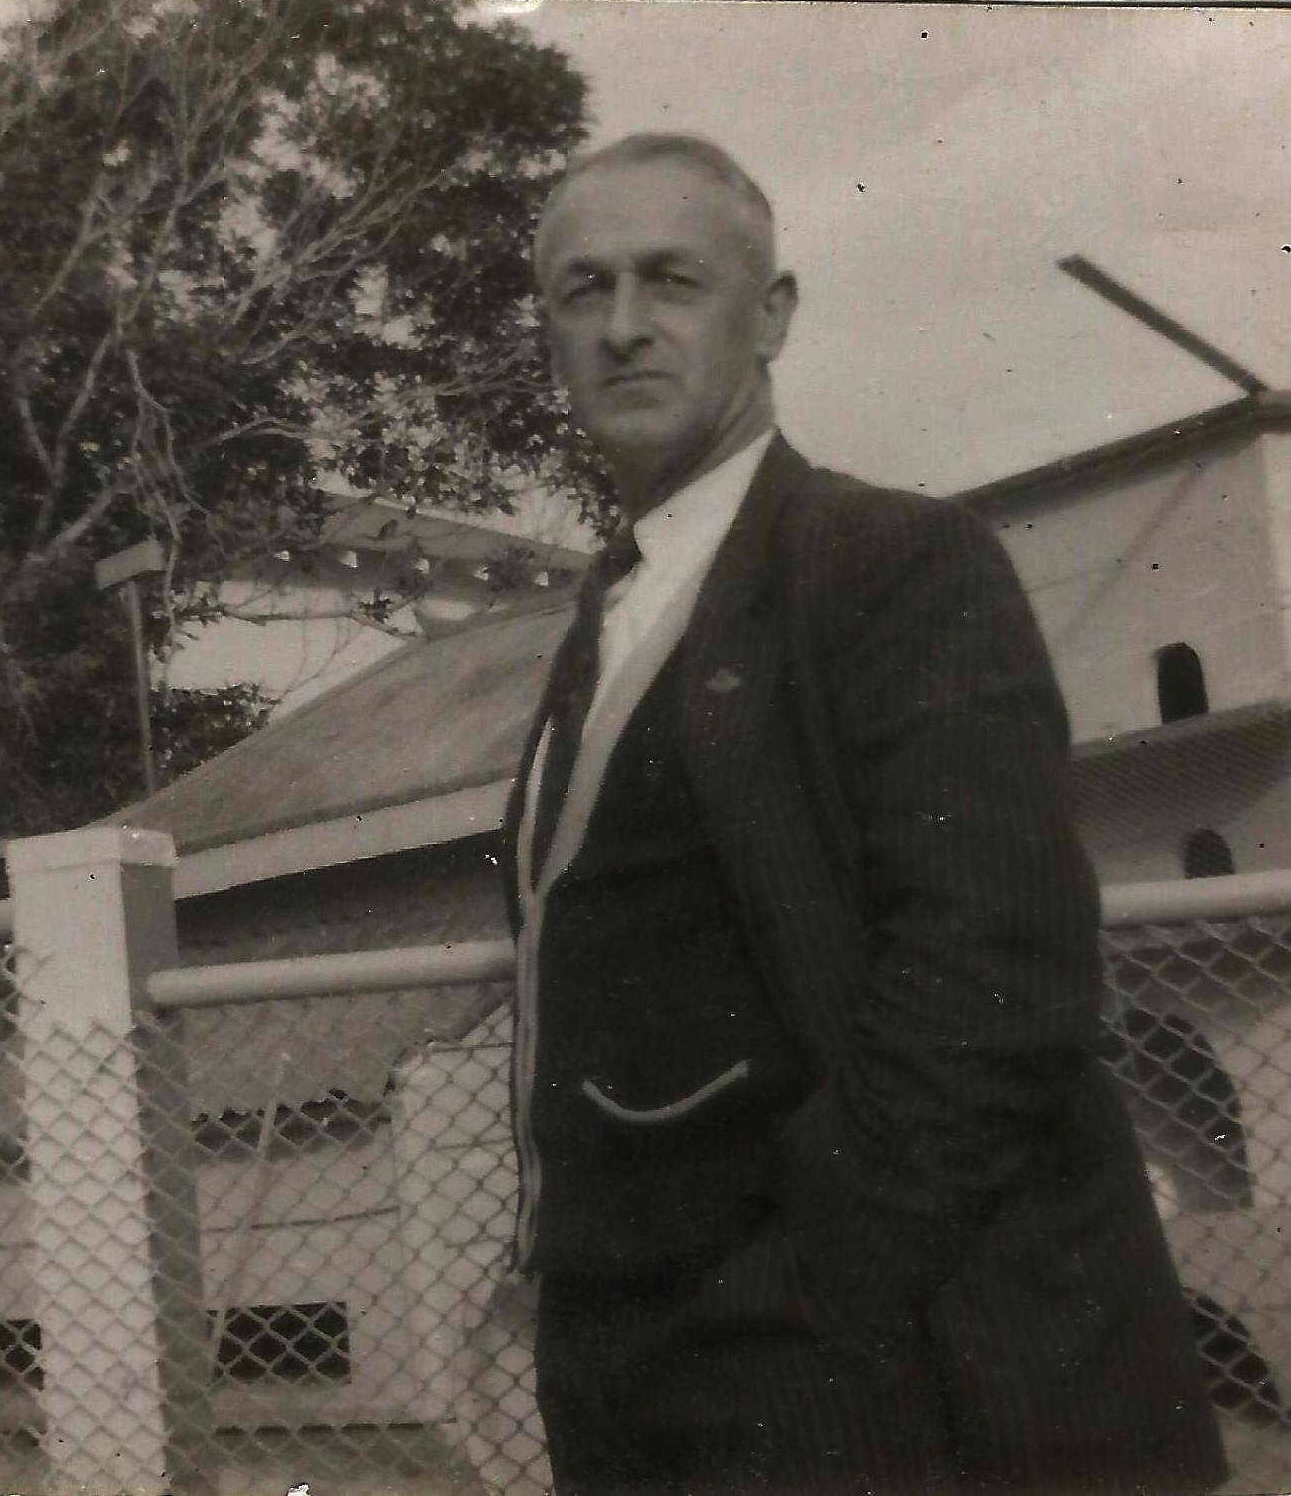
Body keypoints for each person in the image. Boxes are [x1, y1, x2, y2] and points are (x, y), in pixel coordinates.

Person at [503, 132, 1226, 1495]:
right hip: (634, 1362)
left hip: (852, 1371)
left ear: (770, 315)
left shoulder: (887, 560)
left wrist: (801, 1290)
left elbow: (1000, 976)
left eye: (672, 280)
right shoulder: (611, 607)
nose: (622, 325)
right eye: (581, 289)